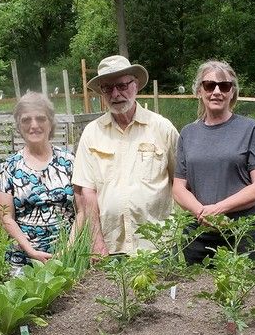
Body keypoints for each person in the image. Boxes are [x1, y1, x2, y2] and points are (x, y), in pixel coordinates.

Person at [72, 55, 179, 256]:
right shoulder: (92, 133)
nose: (115, 94)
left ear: (135, 85)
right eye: (107, 88)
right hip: (110, 246)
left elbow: (181, 182)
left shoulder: (162, 128)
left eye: (122, 86)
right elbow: (86, 192)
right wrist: (96, 242)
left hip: (157, 246)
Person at [172, 60, 255, 263]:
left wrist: (218, 209)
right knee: (199, 292)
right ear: (199, 91)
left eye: (224, 86)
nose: (217, 91)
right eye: (209, 85)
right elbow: (179, 188)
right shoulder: (188, 133)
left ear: (232, 92)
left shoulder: (249, 128)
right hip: (199, 233)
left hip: (242, 231)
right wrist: (202, 212)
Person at [0, 92, 75, 266]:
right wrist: (31, 251)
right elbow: (6, 217)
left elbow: (83, 211)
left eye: (40, 118)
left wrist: (68, 249)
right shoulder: (9, 168)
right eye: (26, 120)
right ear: (19, 125)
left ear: (50, 122)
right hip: (24, 260)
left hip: (67, 257)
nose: (34, 125)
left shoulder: (69, 162)